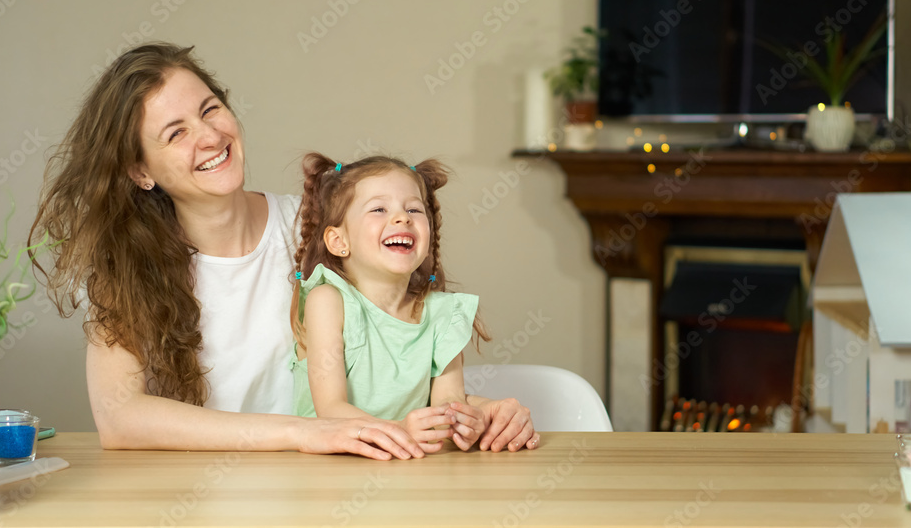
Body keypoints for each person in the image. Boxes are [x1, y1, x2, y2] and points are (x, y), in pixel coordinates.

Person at [30, 42, 537, 458]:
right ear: (140, 171)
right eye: (176, 132)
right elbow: (121, 418)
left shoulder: (321, 228)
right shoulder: (127, 268)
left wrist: (473, 411)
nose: (209, 136)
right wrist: (301, 433)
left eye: (211, 109)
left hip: (324, 493)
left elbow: (398, 356)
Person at [290, 153, 540, 453]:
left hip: (410, 468)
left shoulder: (444, 314)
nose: (402, 218)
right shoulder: (328, 301)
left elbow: (448, 402)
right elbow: (330, 409)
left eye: (413, 209)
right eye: (379, 209)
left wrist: (462, 422)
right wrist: (400, 430)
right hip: (329, 471)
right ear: (339, 241)